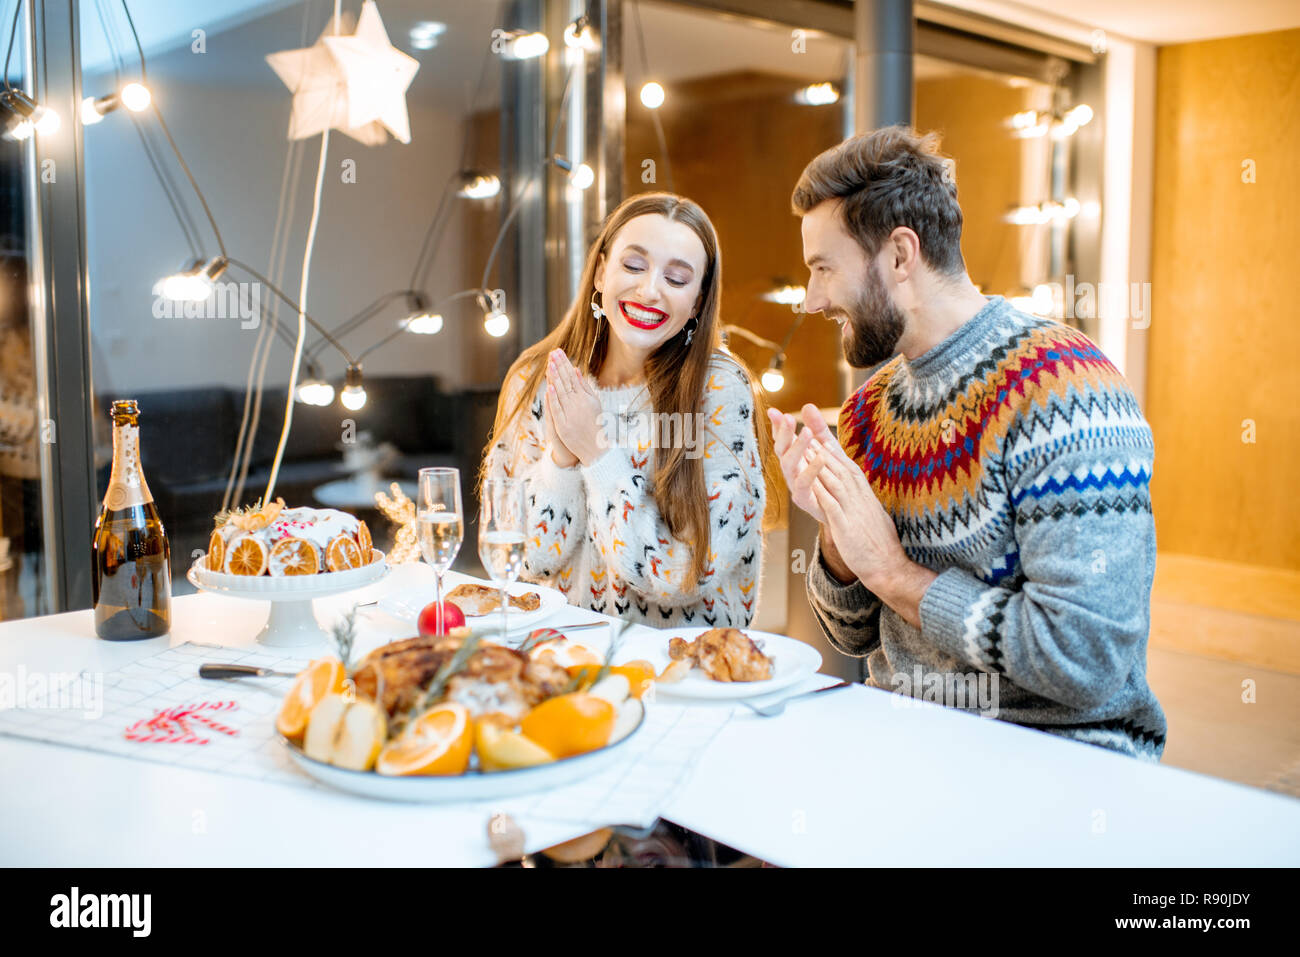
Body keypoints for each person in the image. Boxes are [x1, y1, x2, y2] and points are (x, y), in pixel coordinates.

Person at [772, 126, 1167, 761]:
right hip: (909, 743)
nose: (814, 299)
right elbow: (851, 637)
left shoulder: (1067, 392)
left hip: (1061, 756)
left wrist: (895, 574)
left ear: (900, 255)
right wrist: (835, 524)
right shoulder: (868, 411)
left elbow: (1085, 659)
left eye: (824, 268)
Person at [480, 193, 784, 628]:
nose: (649, 290)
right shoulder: (538, 378)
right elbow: (524, 560)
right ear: (601, 271)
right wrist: (561, 459)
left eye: (677, 279)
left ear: (698, 302)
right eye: (634, 266)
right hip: (563, 668)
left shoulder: (715, 390)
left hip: (683, 676)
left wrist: (598, 453)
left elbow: (681, 576)